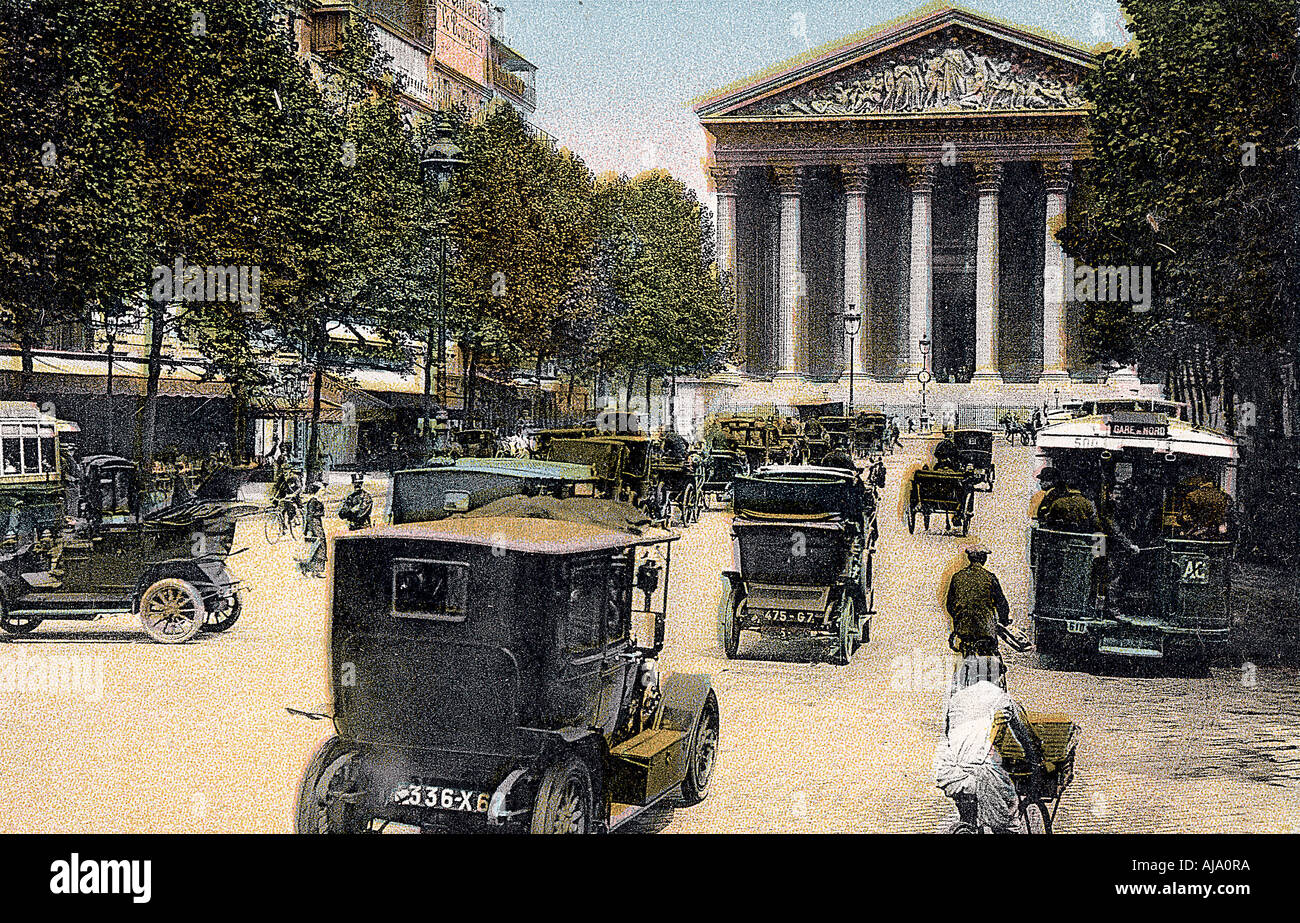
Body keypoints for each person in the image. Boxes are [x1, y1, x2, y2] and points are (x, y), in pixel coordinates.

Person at [935, 655, 1047, 833]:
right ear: (996, 677)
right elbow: (1025, 736)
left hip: (950, 771)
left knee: (968, 817)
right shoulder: (1002, 699)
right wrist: (1036, 761)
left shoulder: (955, 700)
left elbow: (950, 734)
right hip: (984, 771)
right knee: (1006, 823)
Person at [945, 545, 1012, 657]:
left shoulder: (957, 577)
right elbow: (1001, 603)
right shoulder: (990, 578)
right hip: (985, 629)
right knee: (993, 656)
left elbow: (950, 605)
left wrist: (959, 617)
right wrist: (1004, 620)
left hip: (963, 628)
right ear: (984, 559)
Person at [1035, 467, 1100, 532]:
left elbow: (1046, 515)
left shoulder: (1054, 496)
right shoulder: (1086, 501)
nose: (1040, 483)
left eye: (1043, 480)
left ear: (1052, 481)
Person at [298, 483, 327, 577]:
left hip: (317, 525)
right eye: (322, 490)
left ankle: (314, 570)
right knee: (317, 548)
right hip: (315, 526)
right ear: (317, 491)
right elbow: (309, 517)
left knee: (317, 548)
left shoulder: (315, 501)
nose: (324, 492)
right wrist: (309, 530)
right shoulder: (313, 502)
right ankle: (313, 570)